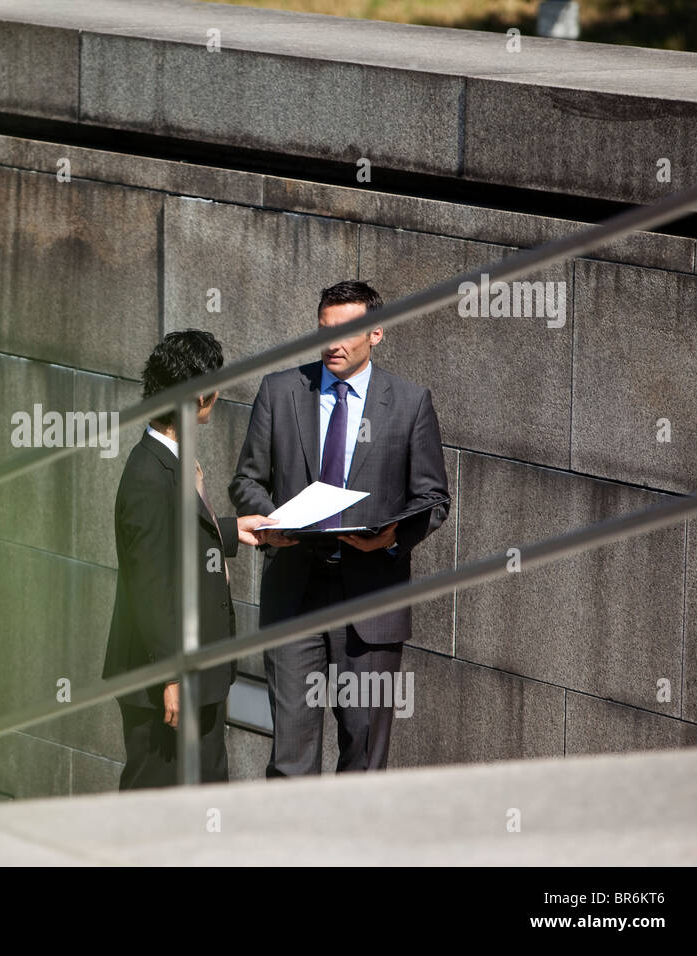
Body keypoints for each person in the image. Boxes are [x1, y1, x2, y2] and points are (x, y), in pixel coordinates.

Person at [230, 281, 450, 775]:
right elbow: (246, 480)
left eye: (346, 331)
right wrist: (271, 520)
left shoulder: (411, 404)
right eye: (325, 330)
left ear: (375, 333)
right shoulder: (281, 391)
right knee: (290, 758)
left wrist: (393, 536)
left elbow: (434, 499)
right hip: (295, 594)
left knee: (364, 751)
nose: (333, 343)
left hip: (370, 600)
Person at [103, 330, 271, 789]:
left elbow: (178, 541)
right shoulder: (148, 476)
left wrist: (233, 530)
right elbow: (150, 585)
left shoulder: (170, 461)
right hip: (169, 683)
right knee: (156, 804)